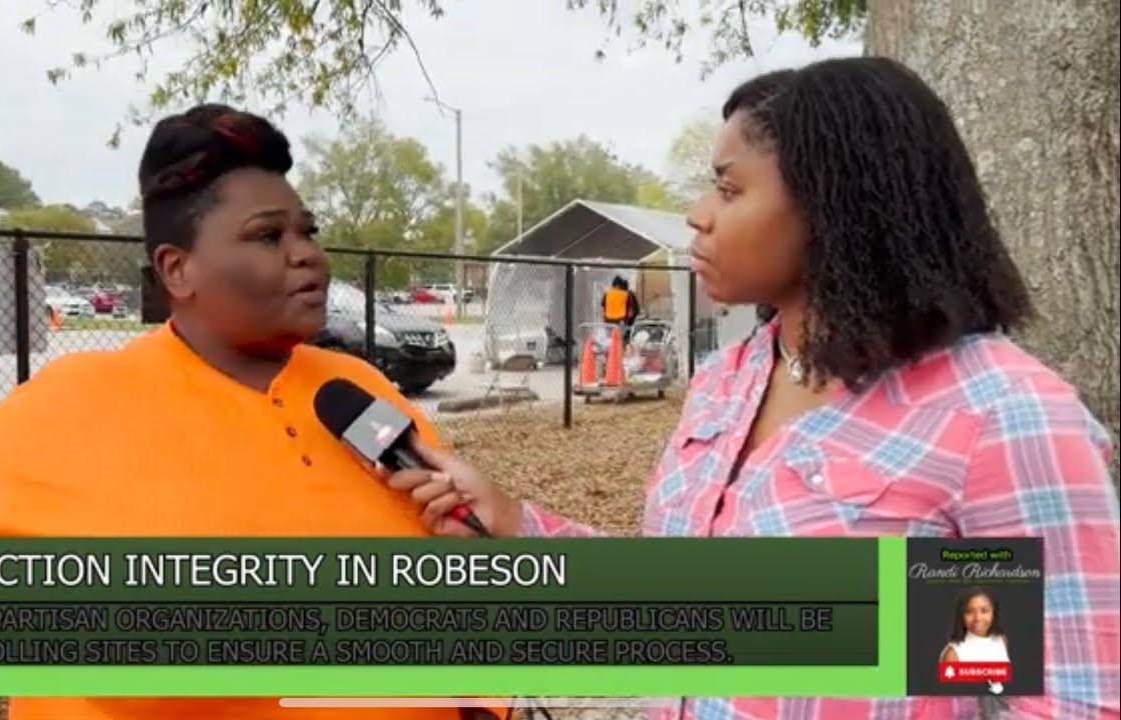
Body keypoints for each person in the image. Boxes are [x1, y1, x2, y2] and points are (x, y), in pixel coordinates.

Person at [390, 57, 1121, 719]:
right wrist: (514, 524)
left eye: (727, 188)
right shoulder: (726, 380)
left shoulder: (999, 414)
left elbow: (1071, 697)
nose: (697, 215)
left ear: (837, 203)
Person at [0, 104, 507, 720]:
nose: (307, 253)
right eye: (267, 235)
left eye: (308, 230)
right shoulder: (77, 403)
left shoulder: (358, 386)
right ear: (177, 270)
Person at [940, 588, 1010, 665]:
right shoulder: (952, 654)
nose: (977, 618)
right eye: (969, 612)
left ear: (994, 613)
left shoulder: (1001, 639)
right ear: (961, 615)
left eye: (984, 611)